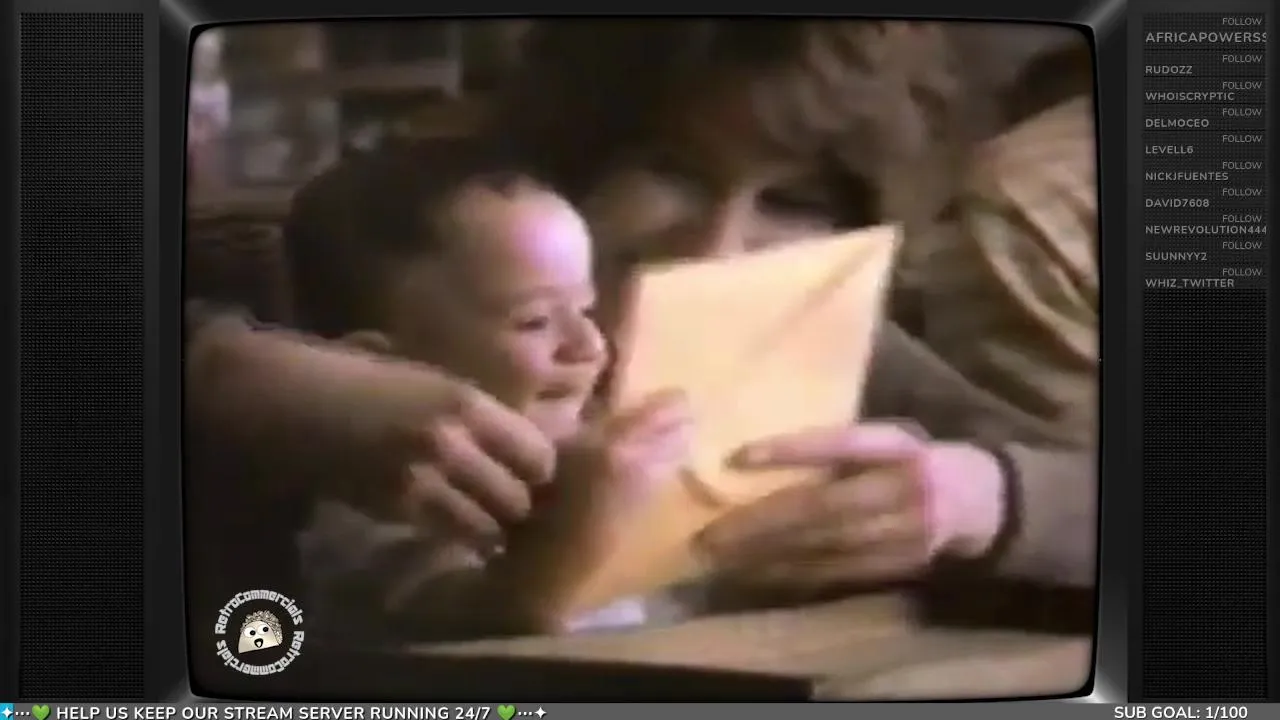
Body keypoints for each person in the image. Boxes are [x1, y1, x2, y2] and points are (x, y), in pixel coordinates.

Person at [185, 20, 1096, 635]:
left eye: (789, 201)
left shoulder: (827, 333)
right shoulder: (426, 337)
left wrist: (985, 497)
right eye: (673, 173)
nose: (716, 246)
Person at [279, 142, 705, 643]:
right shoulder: (377, 512)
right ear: (378, 371)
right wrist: (572, 529)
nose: (589, 346)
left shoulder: (595, 450)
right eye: (535, 321)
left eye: (586, 310)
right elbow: (490, 630)